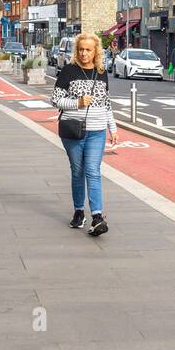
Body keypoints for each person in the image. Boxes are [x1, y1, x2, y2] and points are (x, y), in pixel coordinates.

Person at [51, 31, 117, 236]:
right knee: (77, 171)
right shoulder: (69, 71)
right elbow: (55, 100)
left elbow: (106, 103)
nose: (84, 53)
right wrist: (77, 103)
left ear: (96, 51)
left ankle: (97, 216)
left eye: (88, 50)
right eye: (80, 49)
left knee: (93, 171)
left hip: (97, 131)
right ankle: (79, 211)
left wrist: (112, 127)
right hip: (73, 130)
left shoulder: (101, 72)